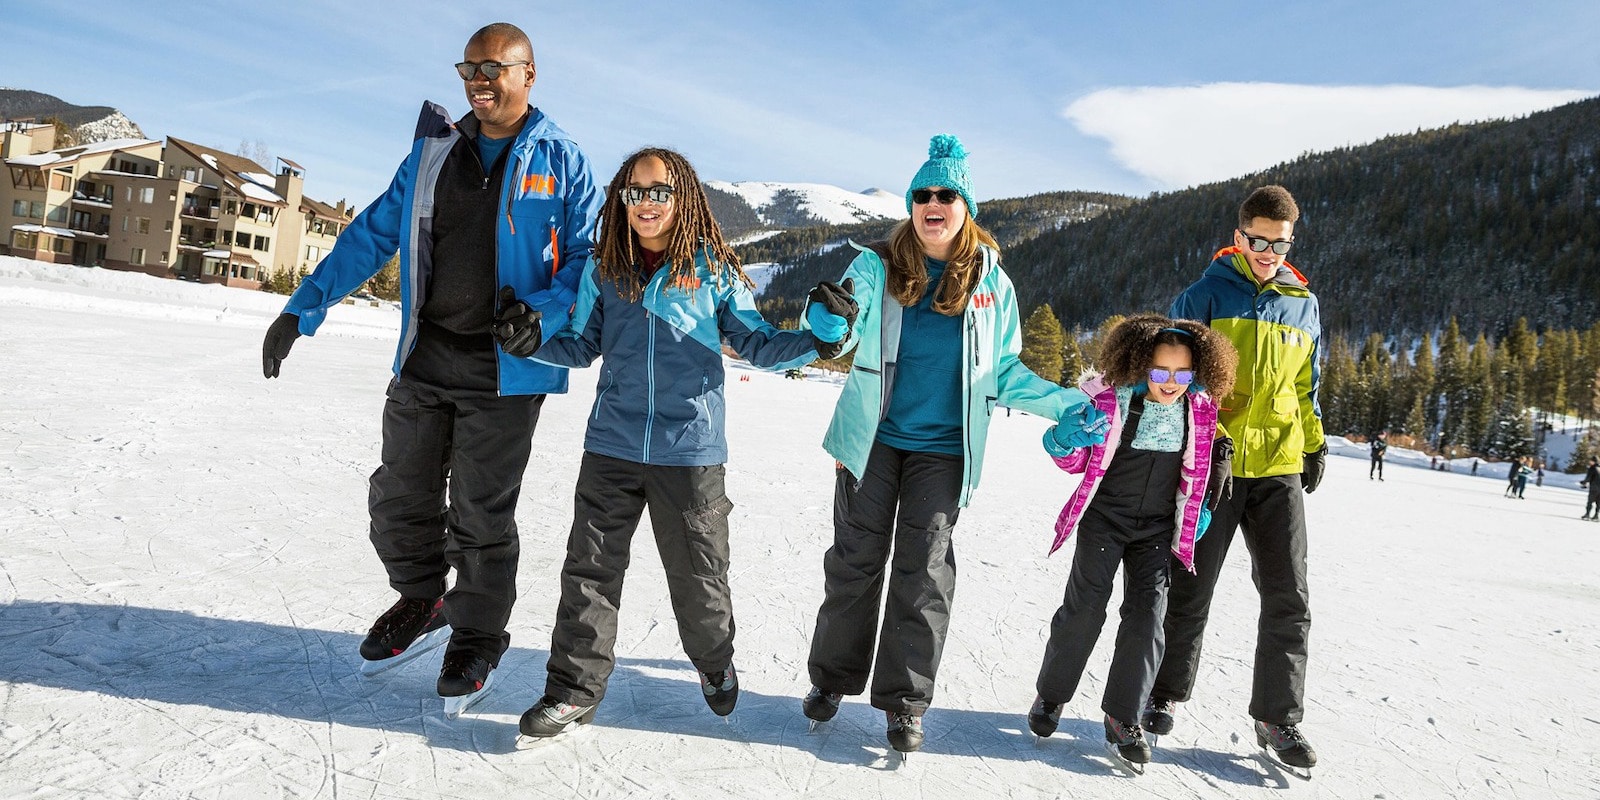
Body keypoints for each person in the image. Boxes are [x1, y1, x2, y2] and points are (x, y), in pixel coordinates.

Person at [260, 22, 602, 707]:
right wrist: (303, 307)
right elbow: (373, 233)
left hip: (506, 371)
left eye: (493, 68)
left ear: (528, 75)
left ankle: (478, 635)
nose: (479, 79)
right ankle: (421, 598)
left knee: (480, 514)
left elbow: (589, 259)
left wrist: (546, 312)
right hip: (425, 357)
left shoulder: (563, 159)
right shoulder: (434, 153)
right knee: (398, 497)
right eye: (468, 67)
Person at [517, 148, 856, 738]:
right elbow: (579, 346)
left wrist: (819, 340)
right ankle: (573, 690)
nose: (647, 203)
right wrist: (529, 341)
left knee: (700, 578)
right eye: (635, 192)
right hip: (612, 446)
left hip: (691, 452)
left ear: (684, 199)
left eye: (660, 191)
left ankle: (715, 663)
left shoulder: (713, 271)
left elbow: (757, 342)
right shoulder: (606, 270)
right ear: (622, 199)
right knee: (588, 573)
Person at [799, 134, 1106, 757]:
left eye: (946, 194)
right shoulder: (876, 264)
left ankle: (905, 702)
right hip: (872, 439)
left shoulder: (994, 284)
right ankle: (832, 680)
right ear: (911, 203)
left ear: (965, 205)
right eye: (922, 194)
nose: (932, 203)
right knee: (856, 557)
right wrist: (827, 323)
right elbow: (841, 323)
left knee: (925, 568)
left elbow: (1007, 371)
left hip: (945, 450)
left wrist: (1065, 402)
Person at [1145, 185, 1325, 772]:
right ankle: (1164, 691)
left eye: (1280, 243)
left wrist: (1315, 442)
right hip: (1215, 463)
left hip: (1279, 466)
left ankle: (1279, 717)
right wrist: (1196, 444)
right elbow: (1177, 382)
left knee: (1289, 596)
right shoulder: (1203, 297)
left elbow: (1306, 386)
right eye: (1258, 240)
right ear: (1238, 236)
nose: (1269, 252)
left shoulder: (1304, 304)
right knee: (1191, 586)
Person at [1026, 315, 1237, 772]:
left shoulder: (1198, 409)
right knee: (1084, 610)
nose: (1171, 383)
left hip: (1158, 530)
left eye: (1183, 374)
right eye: (1160, 372)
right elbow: (1073, 459)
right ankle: (1052, 695)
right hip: (1105, 520)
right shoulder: (1112, 402)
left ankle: (1123, 717)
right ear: (1141, 366)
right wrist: (1064, 437)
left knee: (1148, 618)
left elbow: (1199, 465)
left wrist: (1197, 509)